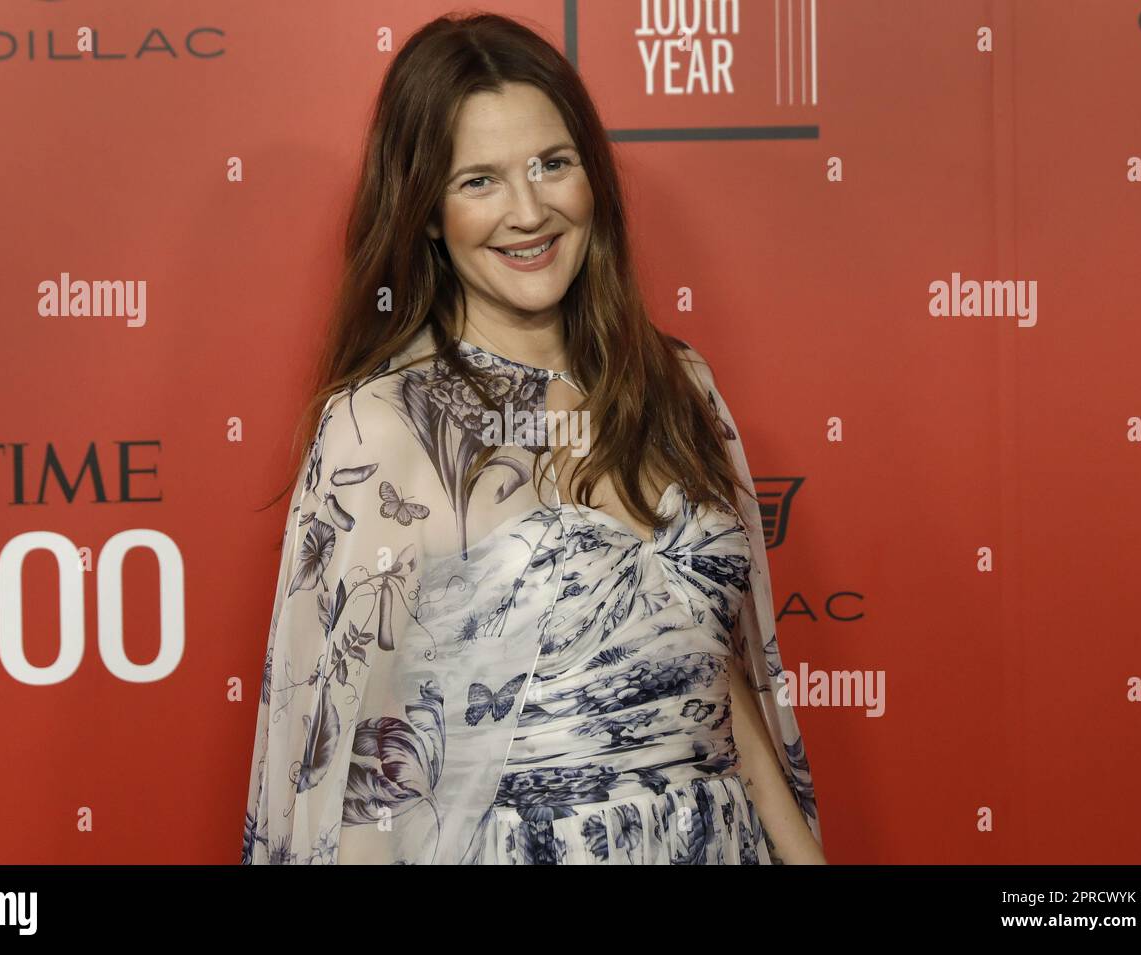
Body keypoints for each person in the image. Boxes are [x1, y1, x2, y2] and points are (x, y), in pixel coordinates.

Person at [242, 11, 825, 865]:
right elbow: (362, 766)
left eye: (552, 165)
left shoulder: (674, 380)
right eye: (478, 181)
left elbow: (708, 672)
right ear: (427, 212)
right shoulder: (389, 425)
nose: (529, 211)